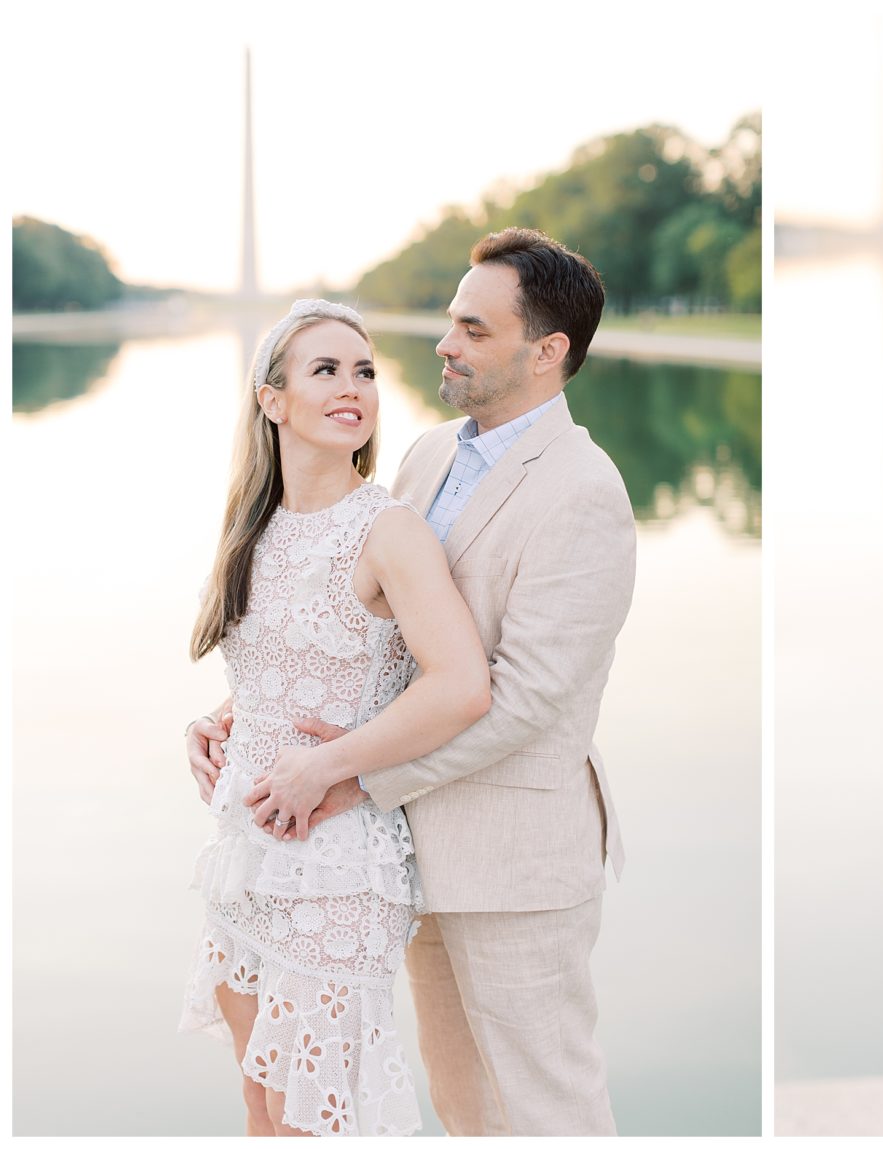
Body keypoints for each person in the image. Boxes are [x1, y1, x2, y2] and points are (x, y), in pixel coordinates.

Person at [188, 228, 636, 1135]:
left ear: (547, 352)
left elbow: (522, 696)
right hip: (406, 849)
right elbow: (370, 634)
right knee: (464, 1105)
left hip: (512, 856)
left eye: (473, 328)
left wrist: (351, 777)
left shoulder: (586, 490)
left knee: (547, 1109)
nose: (444, 343)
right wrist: (249, 709)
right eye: (450, 323)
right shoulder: (430, 455)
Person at [179, 298, 493, 1136]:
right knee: (258, 1103)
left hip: (337, 867)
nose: (352, 386)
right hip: (245, 848)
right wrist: (213, 724)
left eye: (364, 371)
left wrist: (330, 763)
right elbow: (279, 669)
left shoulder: (388, 529)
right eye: (326, 369)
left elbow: (461, 683)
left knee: (312, 1115)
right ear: (272, 398)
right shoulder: (255, 528)